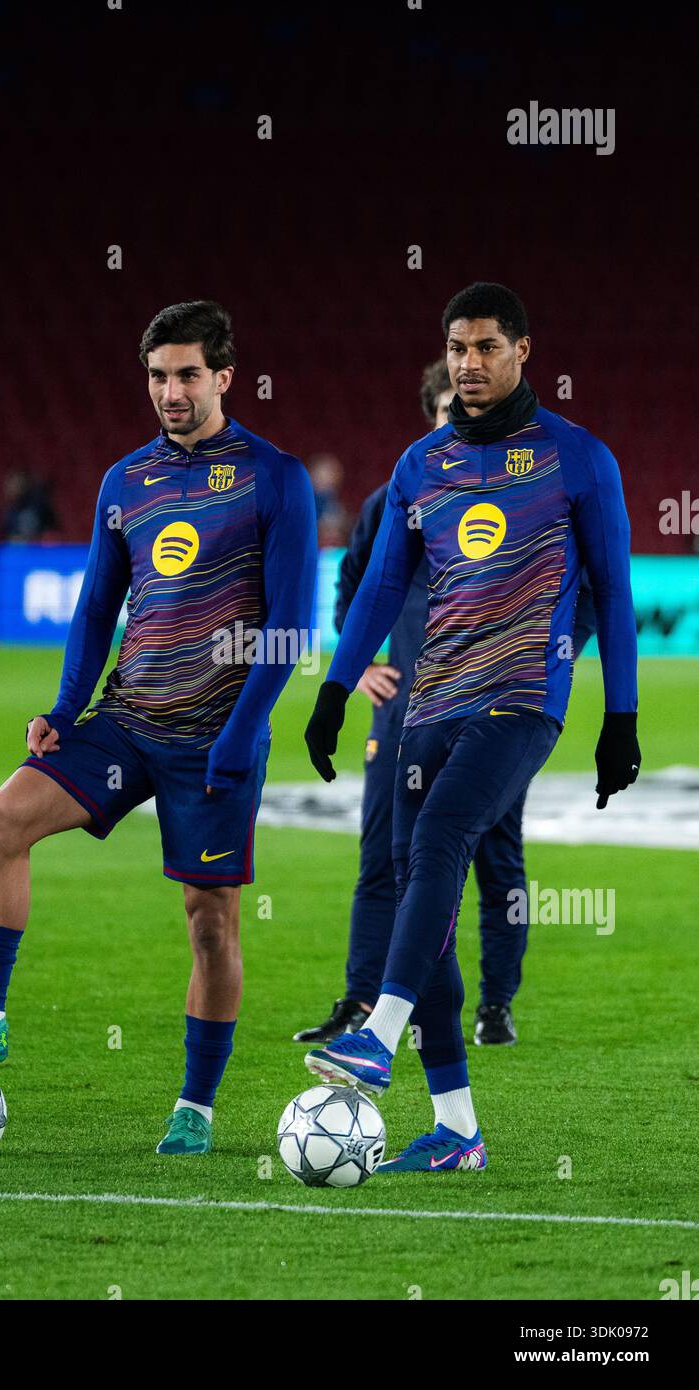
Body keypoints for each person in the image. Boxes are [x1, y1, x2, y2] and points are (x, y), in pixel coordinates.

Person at [0, 300, 318, 1157]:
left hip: (216, 737)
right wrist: (61, 708)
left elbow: (293, 625)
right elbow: (95, 608)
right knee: (0, 819)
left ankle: (194, 1108)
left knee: (209, 921)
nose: (170, 391)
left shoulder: (276, 478)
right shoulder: (126, 481)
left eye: (188, 374)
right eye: (158, 375)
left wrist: (242, 733)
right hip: (125, 720)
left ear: (225, 376)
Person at [303, 282, 639, 1172]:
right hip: (432, 703)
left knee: (448, 832)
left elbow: (615, 590)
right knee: (423, 886)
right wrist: (336, 689)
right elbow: (378, 589)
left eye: (486, 347)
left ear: (523, 351)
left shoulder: (579, 458)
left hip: (525, 697)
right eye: (457, 348)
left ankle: (378, 1031)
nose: (469, 363)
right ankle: (457, 1130)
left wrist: (621, 720)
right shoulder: (419, 467)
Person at [294, 358, 596, 1048]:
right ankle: (363, 1001)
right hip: (402, 714)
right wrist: (360, 664)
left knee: (495, 860)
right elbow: (355, 589)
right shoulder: (395, 500)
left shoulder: (523, 501)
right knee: (383, 859)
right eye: (443, 416)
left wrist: (555, 655)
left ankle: (495, 1004)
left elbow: (585, 593)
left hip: (495, 711)